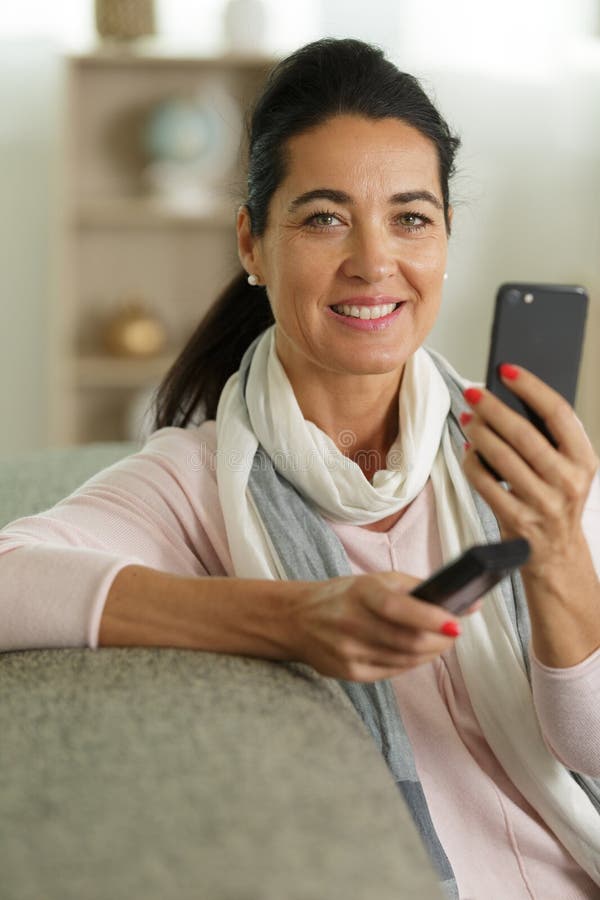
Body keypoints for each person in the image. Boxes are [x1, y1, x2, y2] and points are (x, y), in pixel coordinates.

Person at [1, 37, 600, 898]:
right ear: (252, 243)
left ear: (445, 238)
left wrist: (560, 555)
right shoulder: (194, 482)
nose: (373, 261)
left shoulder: (526, 448)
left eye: (411, 217)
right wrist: (292, 617)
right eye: (324, 217)